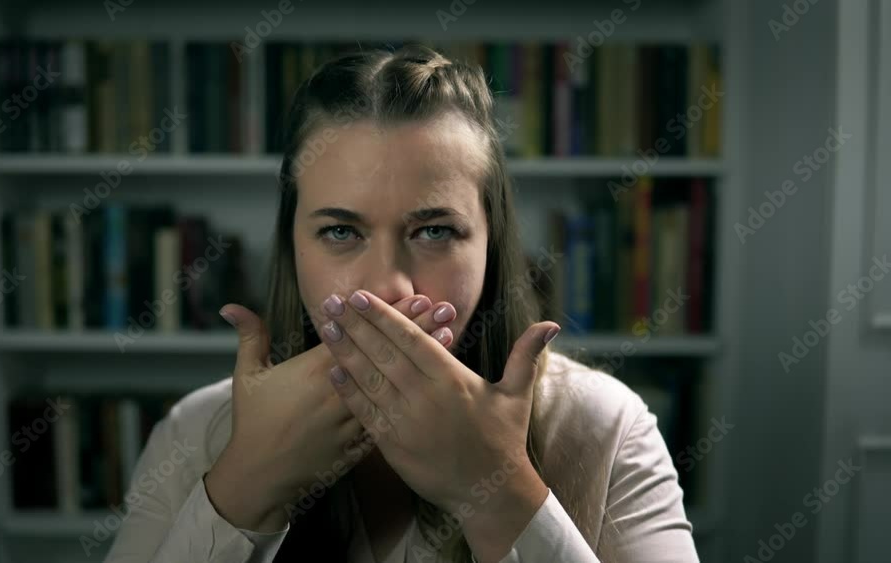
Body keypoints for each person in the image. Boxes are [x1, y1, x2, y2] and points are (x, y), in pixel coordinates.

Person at [104, 44, 700, 563]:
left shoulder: (607, 427)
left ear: (492, 242)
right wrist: (245, 487)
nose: (389, 290)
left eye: (434, 231)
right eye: (341, 232)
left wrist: (496, 492)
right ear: (292, 243)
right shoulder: (197, 431)